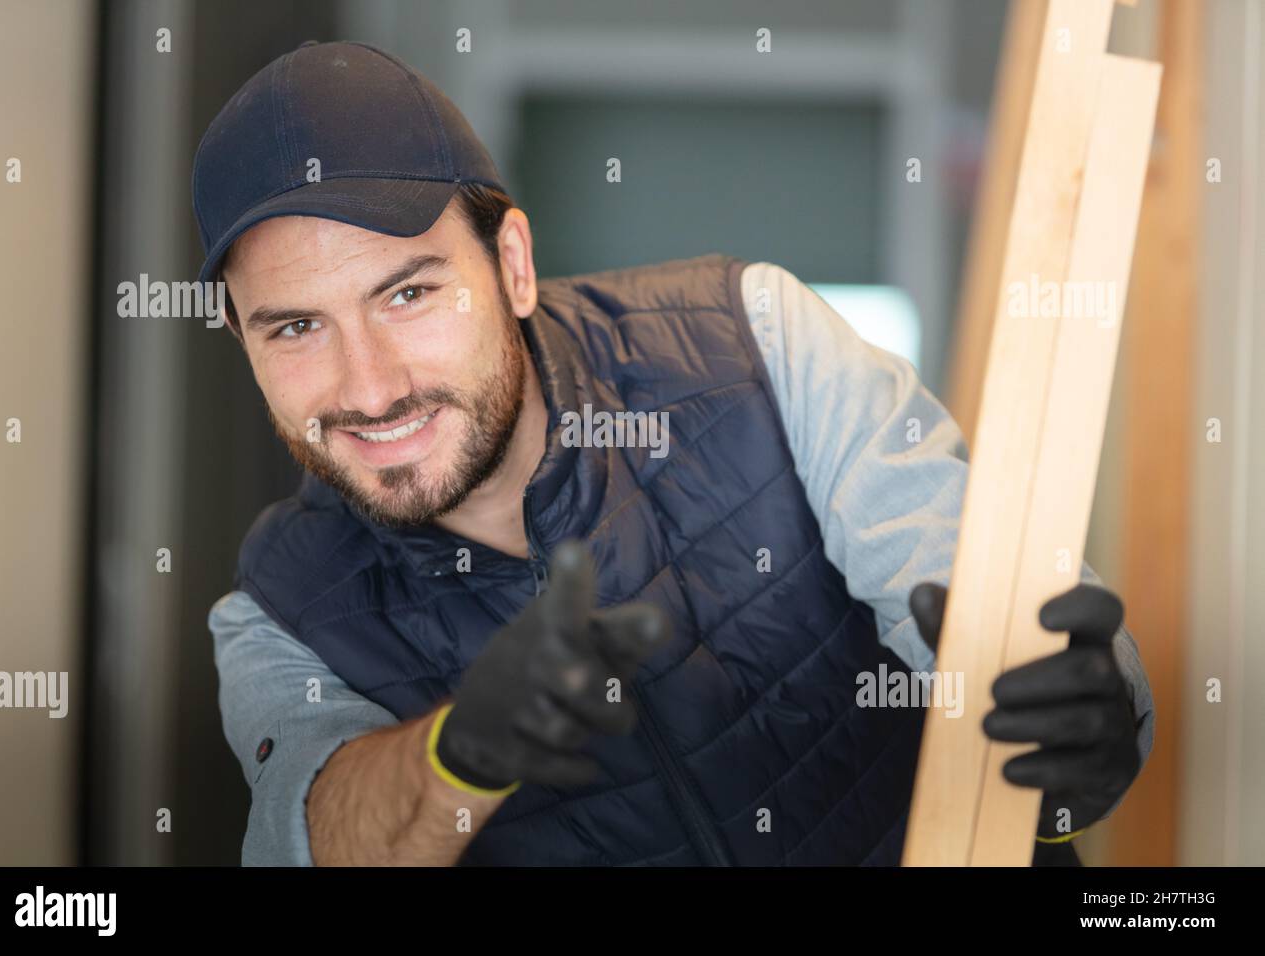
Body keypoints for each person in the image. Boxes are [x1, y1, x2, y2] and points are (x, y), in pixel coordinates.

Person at [194, 41, 1154, 866]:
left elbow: (975, 602)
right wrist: (458, 754)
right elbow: (315, 839)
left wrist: (1079, 719)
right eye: (294, 329)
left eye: (408, 295)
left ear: (513, 265)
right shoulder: (279, 613)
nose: (369, 387)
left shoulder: (757, 350)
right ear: (243, 343)